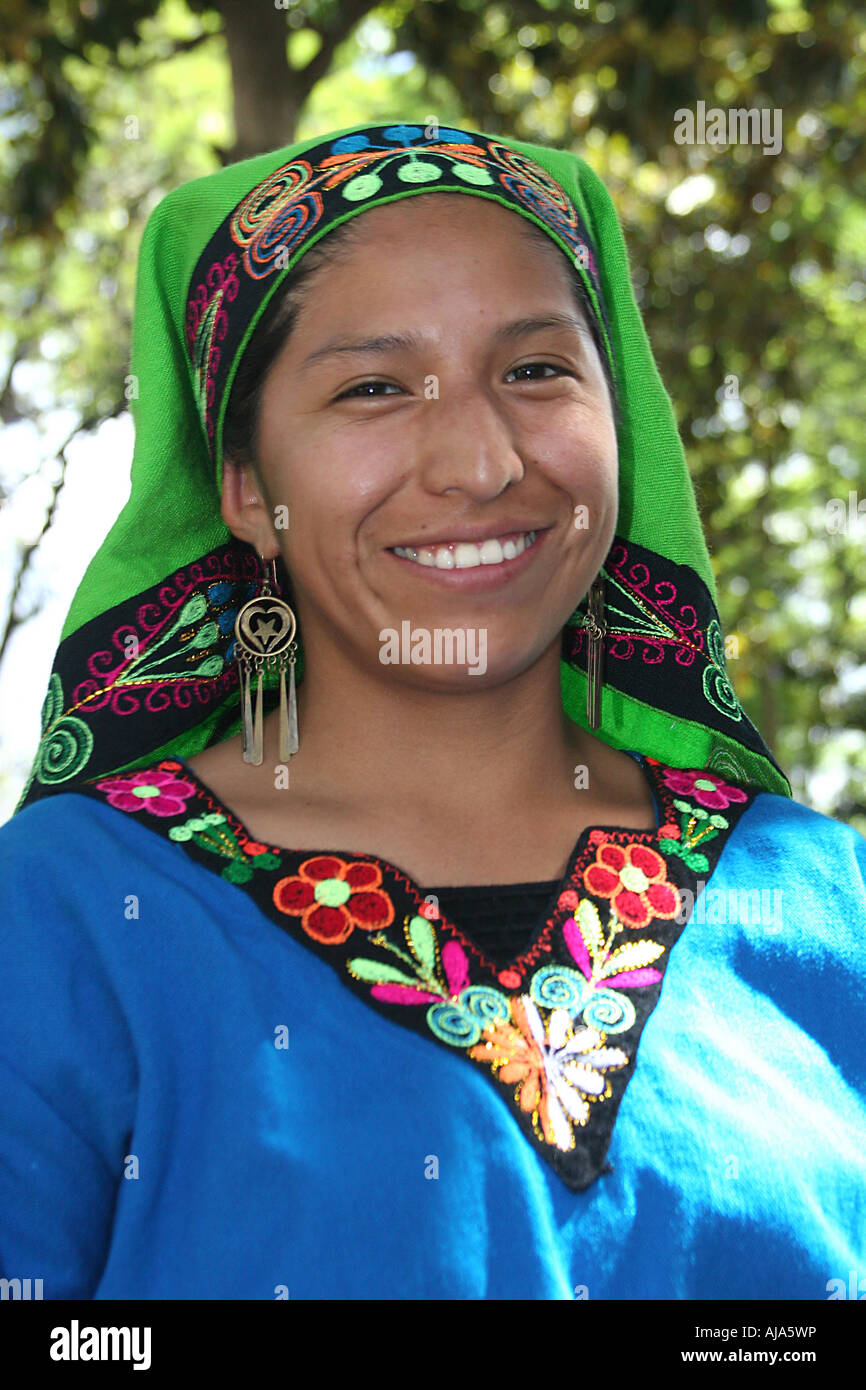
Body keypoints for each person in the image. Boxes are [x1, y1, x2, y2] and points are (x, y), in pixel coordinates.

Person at [1, 120, 864, 1301]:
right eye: (372, 387)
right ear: (247, 489)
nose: (478, 460)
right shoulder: (67, 910)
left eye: (534, 371)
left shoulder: (819, 897)